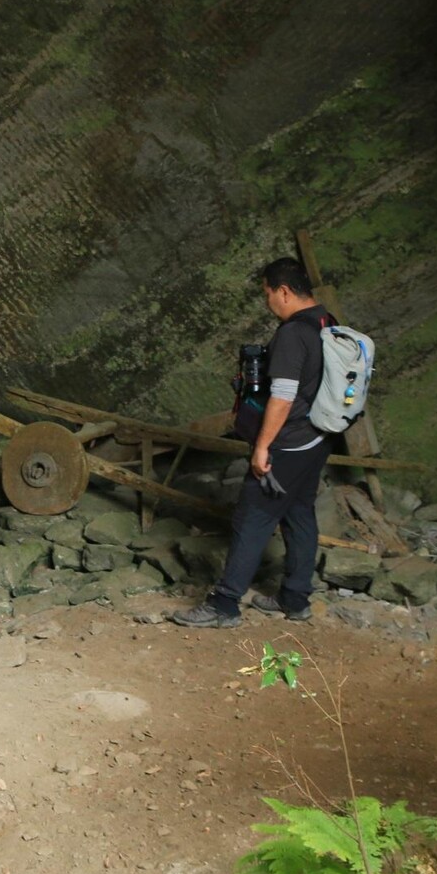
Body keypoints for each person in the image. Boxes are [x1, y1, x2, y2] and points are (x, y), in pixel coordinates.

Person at [173, 257, 336, 628]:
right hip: (317, 438)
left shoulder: (294, 333)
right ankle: (295, 599)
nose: (267, 302)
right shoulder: (328, 322)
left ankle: (224, 605)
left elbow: (282, 395)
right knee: (299, 514)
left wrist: (263, 446)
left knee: (252, 519)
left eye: (267, 294)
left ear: (283, 290)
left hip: (289, 443)